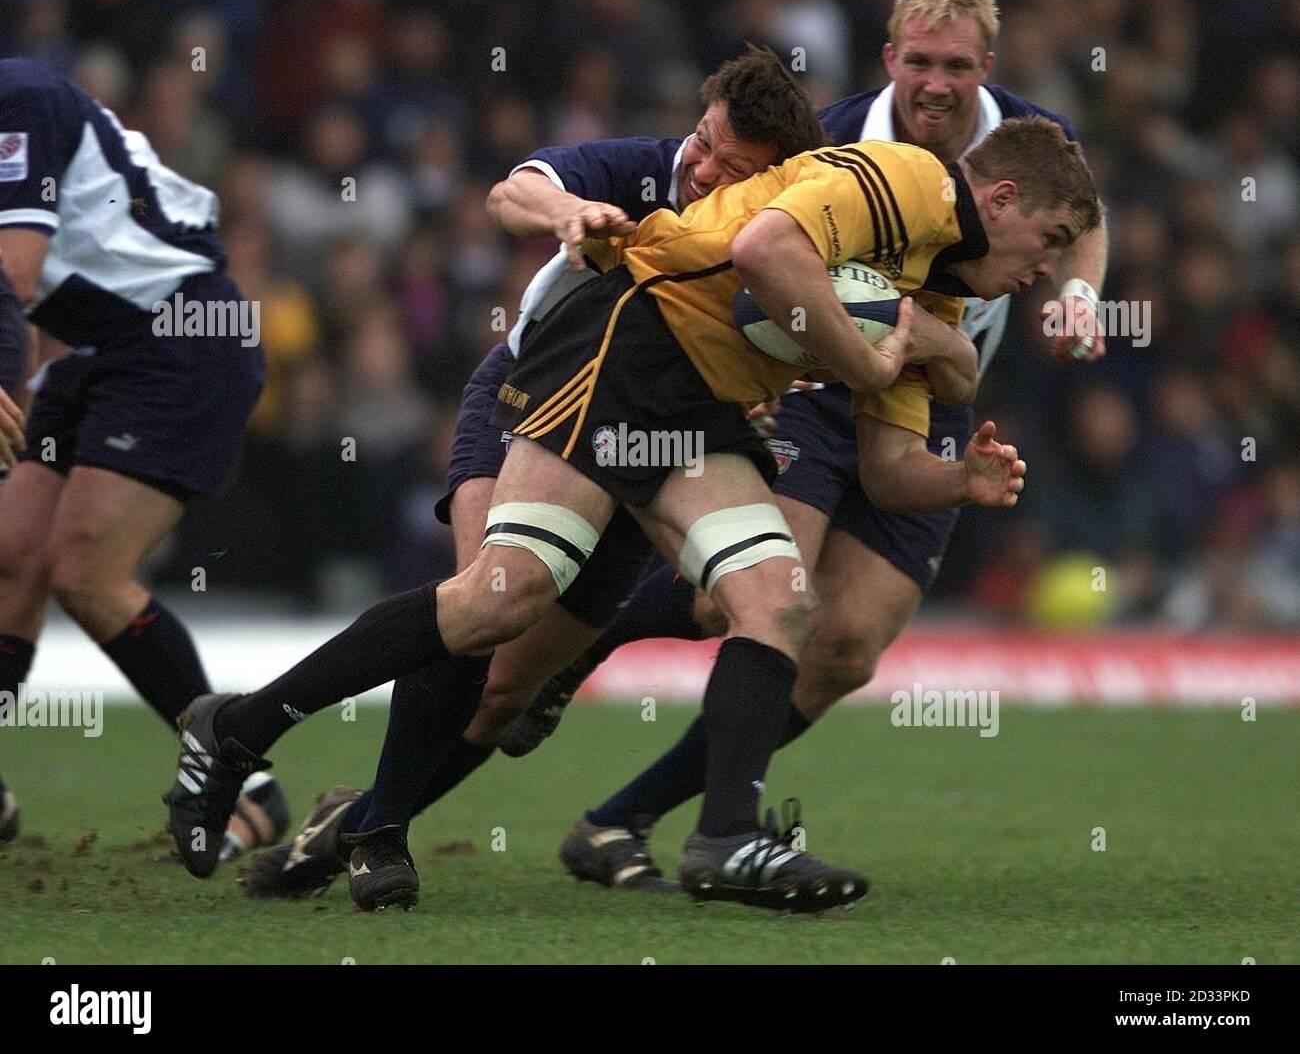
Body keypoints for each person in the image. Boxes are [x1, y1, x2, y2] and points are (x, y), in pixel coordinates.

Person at [165, 106, 1099, 914]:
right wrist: (887, 357)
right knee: (499, 601)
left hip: (705, 406)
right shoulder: (906, 180)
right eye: (1052, 244)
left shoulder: (929, 287)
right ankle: (241, 726)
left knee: (777, 598)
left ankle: (727, 838)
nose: (1046, 272)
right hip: (629, 343)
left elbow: (890, 471)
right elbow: (764, 250)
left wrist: (959, 481)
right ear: (1005, 200)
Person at [0, 58, 288, 857]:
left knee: (85, 574)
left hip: (181, 337)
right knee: (11, 554)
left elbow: (11, 279)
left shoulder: (17, 101)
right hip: (97, 348)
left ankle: (248, 782)